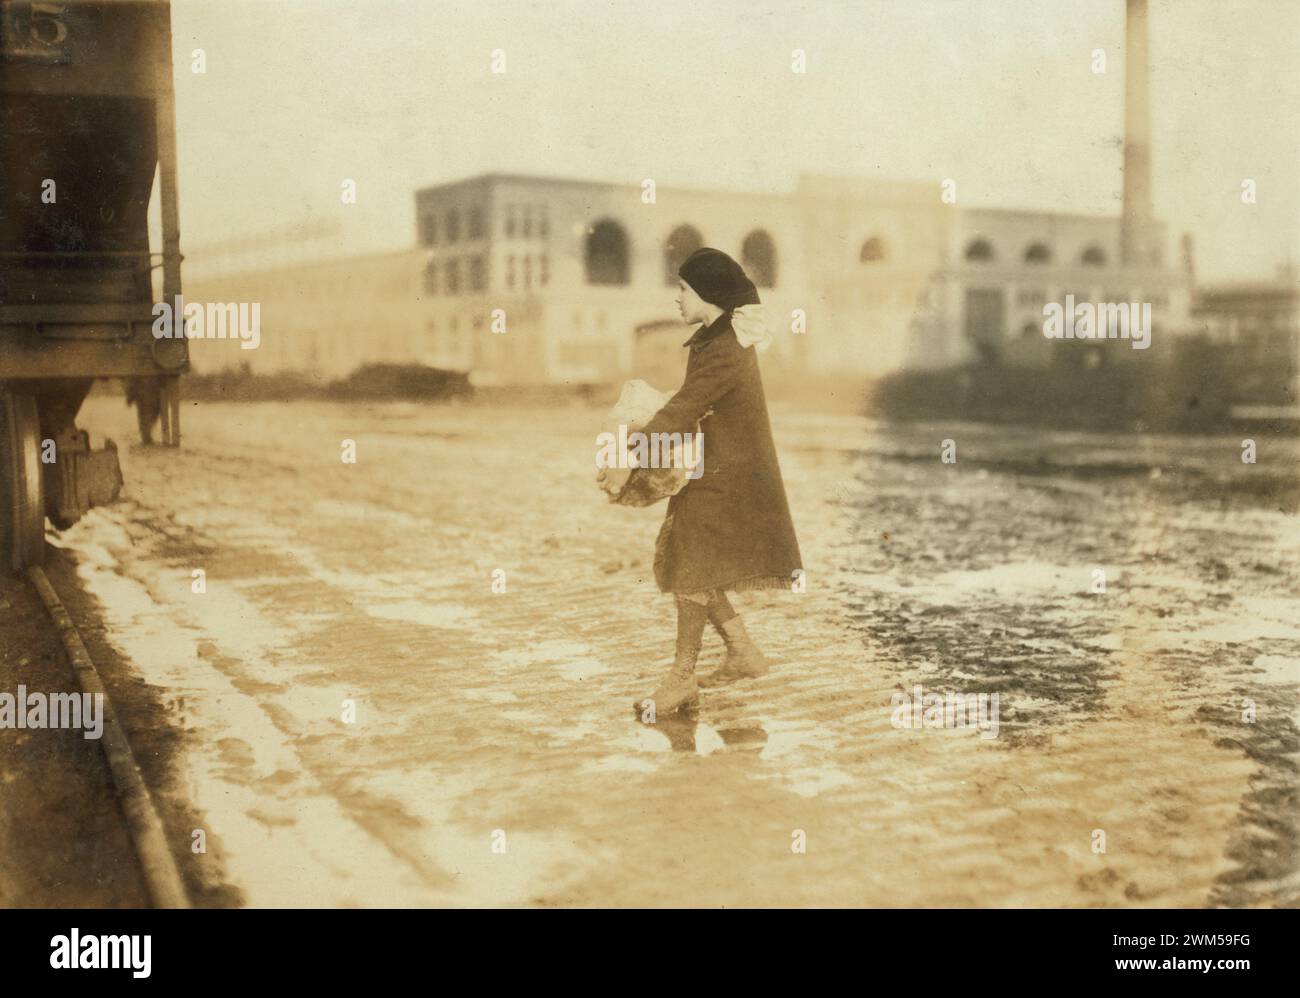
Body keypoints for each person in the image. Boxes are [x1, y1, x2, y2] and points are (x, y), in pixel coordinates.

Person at [612, 246, 803, 713]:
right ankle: (742, 651)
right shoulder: (716, 339)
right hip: (715, 467)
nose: (676, 299)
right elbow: (688, 402)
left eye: (682, 288)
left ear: (708, 294)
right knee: (691, 560)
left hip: (729, 473)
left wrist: (630, 451)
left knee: (692, 562)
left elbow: (687, 405)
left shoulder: (725, 347)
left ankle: (682, 678)